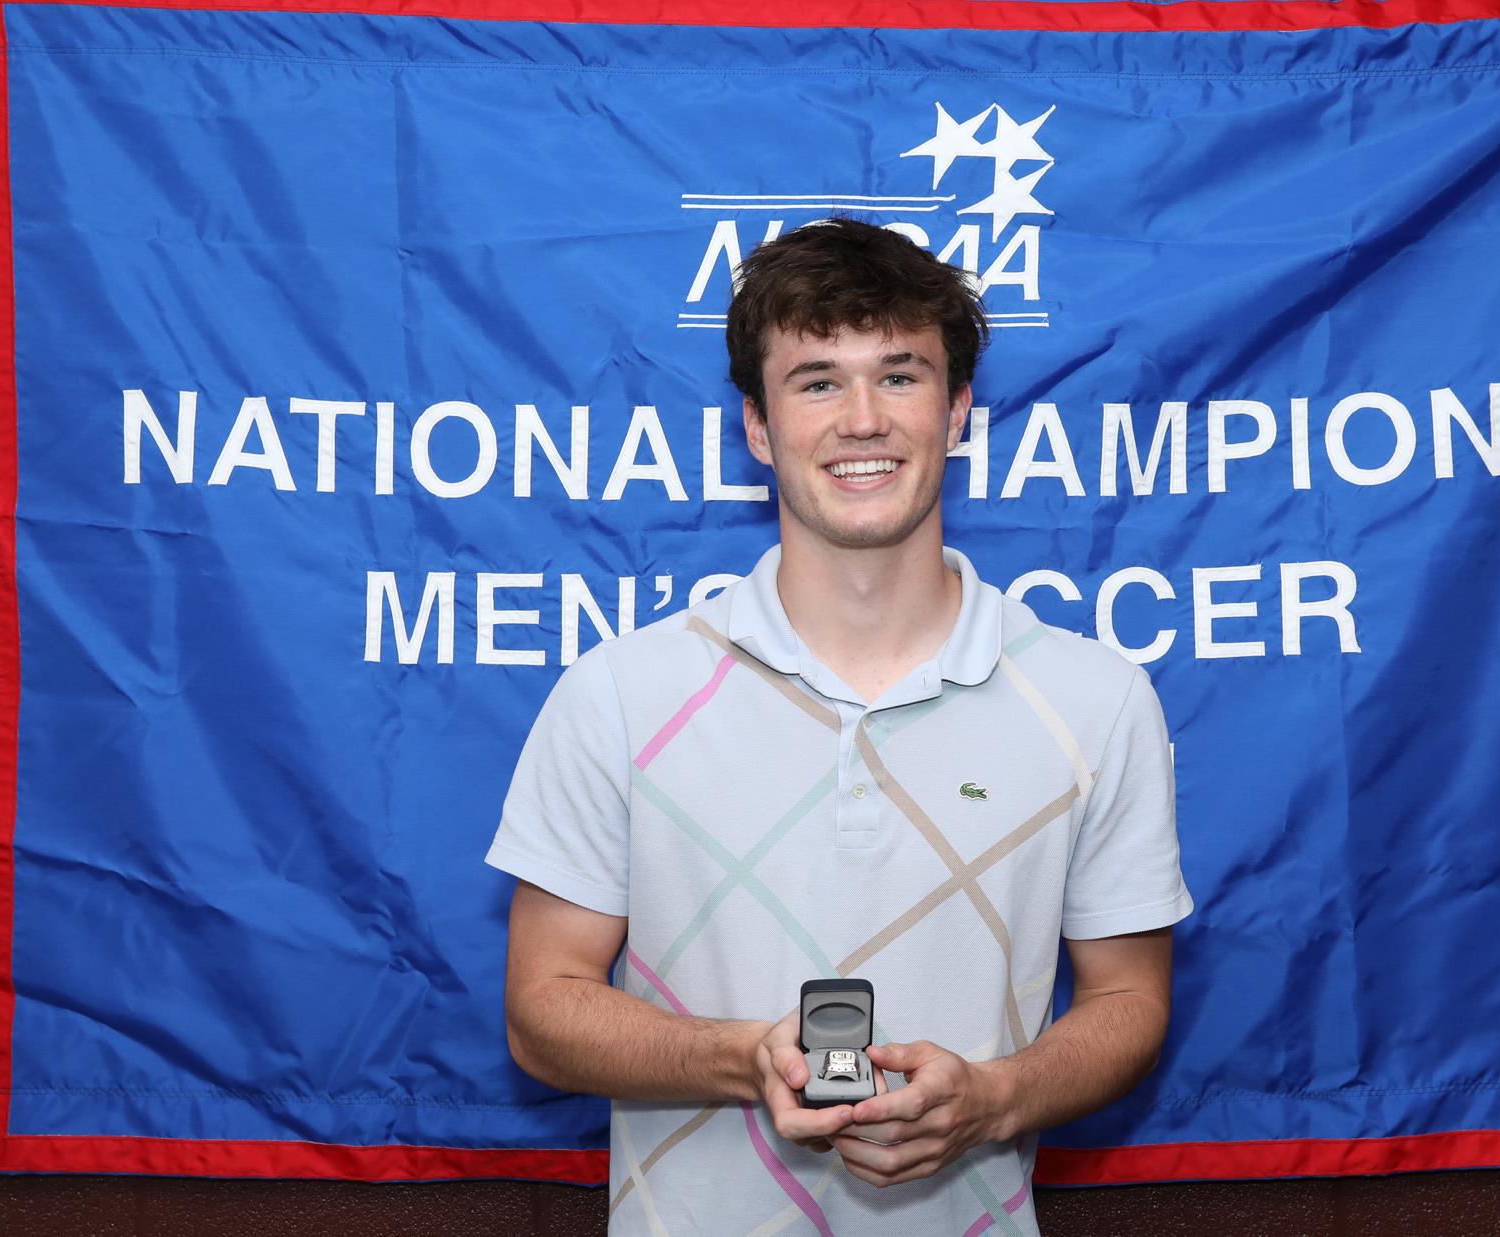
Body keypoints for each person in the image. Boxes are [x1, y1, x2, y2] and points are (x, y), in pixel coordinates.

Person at [486, 218, 1192, 1235]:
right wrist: (739, 1055)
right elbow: (540, 1007)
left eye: (899, 376)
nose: (862, 419)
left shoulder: (1097, 695)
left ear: (956, 411)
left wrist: (993, 1099)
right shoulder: (617, 691)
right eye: (816, 381)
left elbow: (1130, 1004)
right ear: (758, 427)